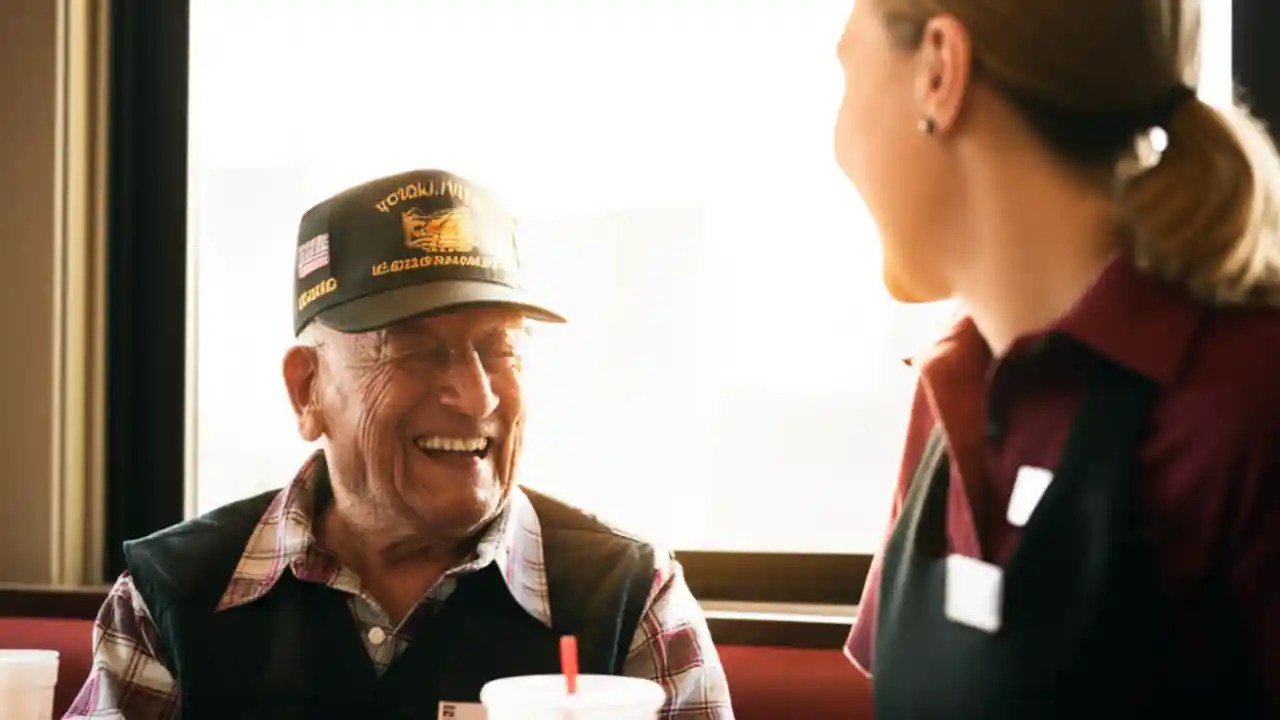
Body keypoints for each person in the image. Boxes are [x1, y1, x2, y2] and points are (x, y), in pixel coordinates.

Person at [65, 169, 734, 719]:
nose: (476, 397)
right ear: (307, 391)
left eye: (498, 348)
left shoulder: (632, 599)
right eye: (415, 350)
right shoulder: (171, 597)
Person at [832, 0, 1280, 717]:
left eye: (847, 72)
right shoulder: (948, 395)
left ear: (939, 72)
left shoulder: (1248, 402)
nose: (837, 141)